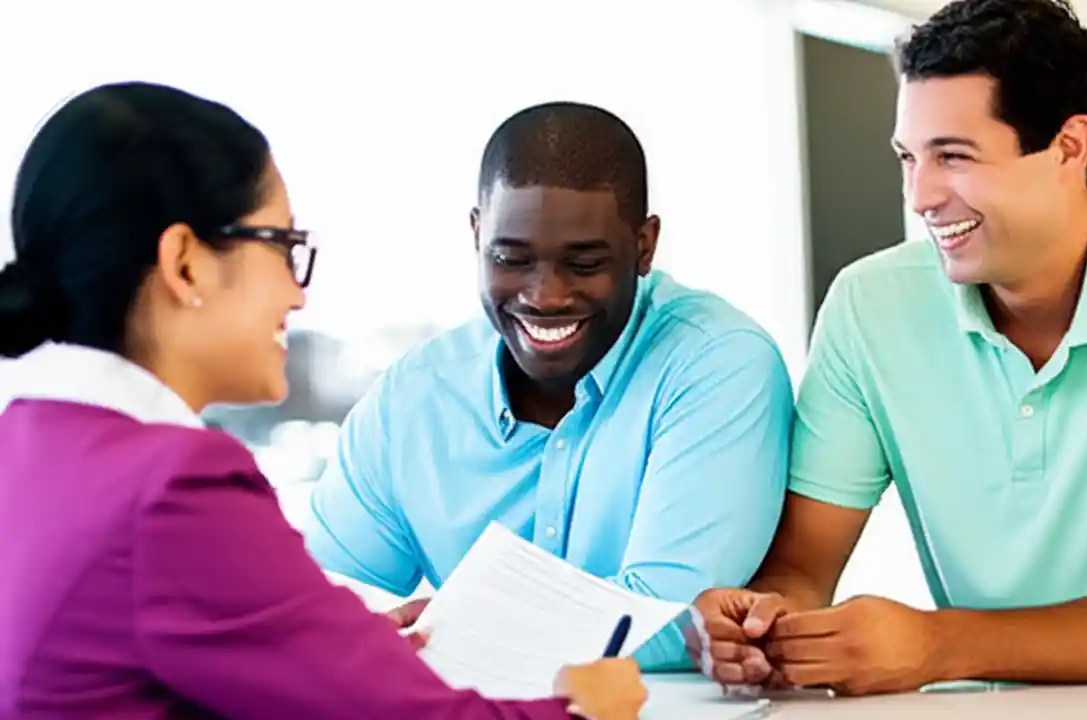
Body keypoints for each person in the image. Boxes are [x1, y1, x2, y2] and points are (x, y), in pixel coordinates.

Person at [0, 81, 645, 720]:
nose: (297, 295)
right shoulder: (170, 488)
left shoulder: (29, 442)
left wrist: (319, 655)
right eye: (284, 247)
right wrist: (581, 709)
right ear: (187, 263)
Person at [693, 0, 1087, 696]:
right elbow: (802, 569)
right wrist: (759, 623)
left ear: (1070, 147)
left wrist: (939, 644)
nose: (920, 195)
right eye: (909, 157)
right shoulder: (870, 307)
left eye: (954, 156)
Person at [303, 101, 793, 669]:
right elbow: (322, 604)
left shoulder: (717, 362)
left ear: (644, 246)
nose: (545, 296)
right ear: (476, 234)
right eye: (511, 259)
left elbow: (666, 616)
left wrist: (443, 628)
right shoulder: (415, 396)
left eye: (584, 264)